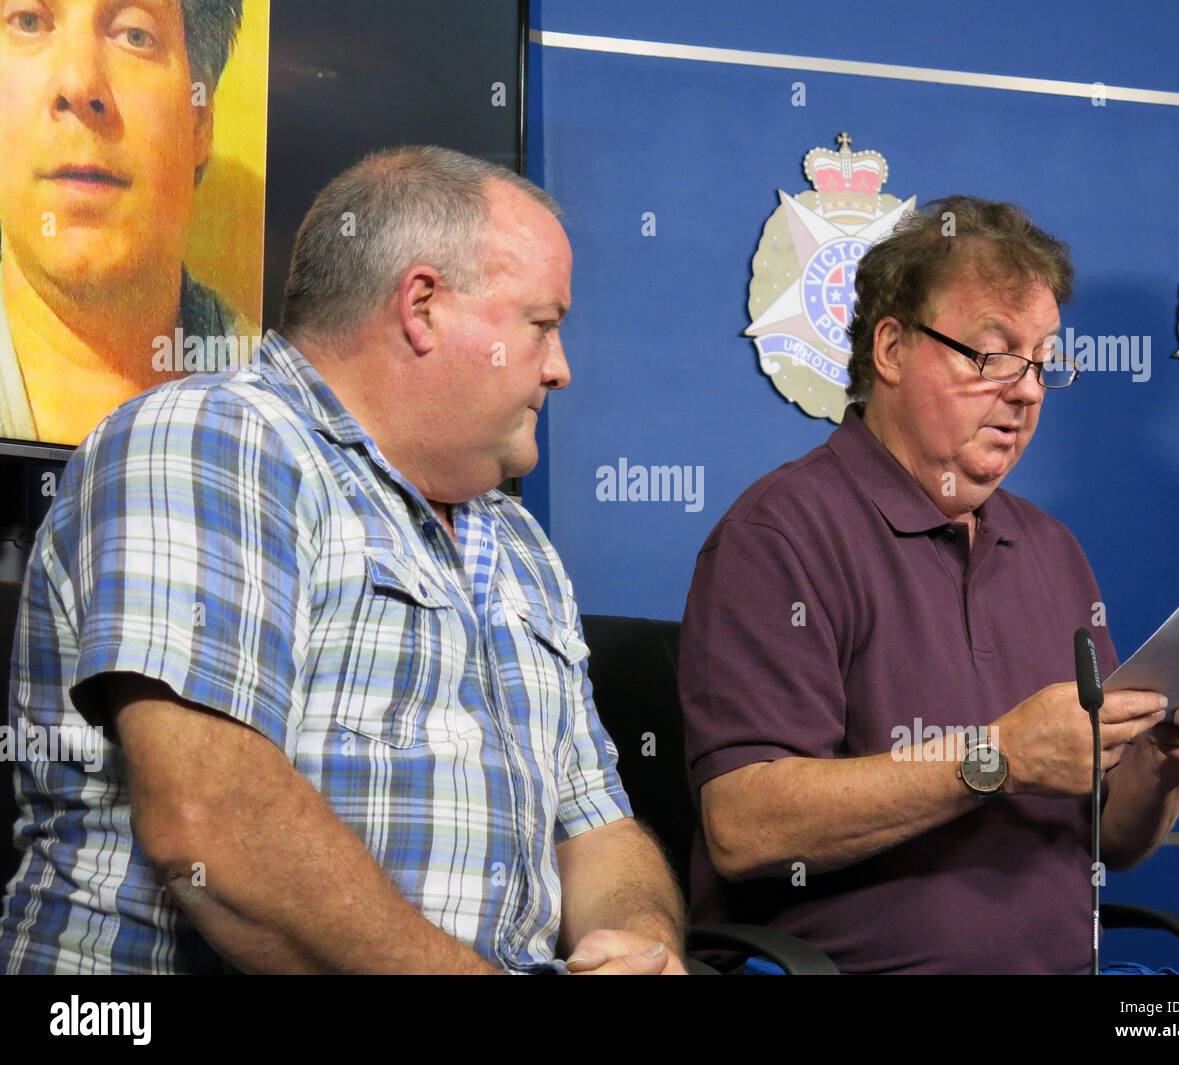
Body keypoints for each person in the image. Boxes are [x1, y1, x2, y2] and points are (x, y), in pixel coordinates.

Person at [0, 146, 686, 975]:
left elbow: (599, 827)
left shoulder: (521, 547)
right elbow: (209, 824)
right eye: (543, 325)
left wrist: (642, 944)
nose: (560, 368)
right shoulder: (214, 440)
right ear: (422, 307)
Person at [679, 196, 1179, 975]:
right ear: (891, 348)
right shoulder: (779, 535)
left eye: (1043, 360)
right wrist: (999, 755)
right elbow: (744, 824)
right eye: (991, 355)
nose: (1027, 390)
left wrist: (1162, 767)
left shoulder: (1053, 550)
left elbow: (1114, 835)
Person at [0, 0, 247, 445]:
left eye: (135, 35)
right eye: (30, 22)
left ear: (200, 119)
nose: (78, 84)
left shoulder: (297, 415)